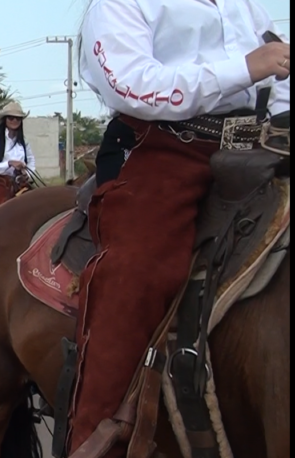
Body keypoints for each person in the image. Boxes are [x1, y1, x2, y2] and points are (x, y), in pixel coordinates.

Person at [67, 1, 290, 456]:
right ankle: (98, 437)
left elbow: (280, 73)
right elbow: (130, 85)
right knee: (138, 270)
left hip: (263, 146)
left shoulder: (244, 5)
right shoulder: (119, 5)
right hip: (170, 145)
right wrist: (242, 69)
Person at [0, 102, 35, 215]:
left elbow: (31, 160)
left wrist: (27, 173)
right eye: (11, 118)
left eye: (18, 118)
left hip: (21, 183)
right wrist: (9, 163)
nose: (14, 120)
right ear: (5, 119)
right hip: (0, 183)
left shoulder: (24, 141)